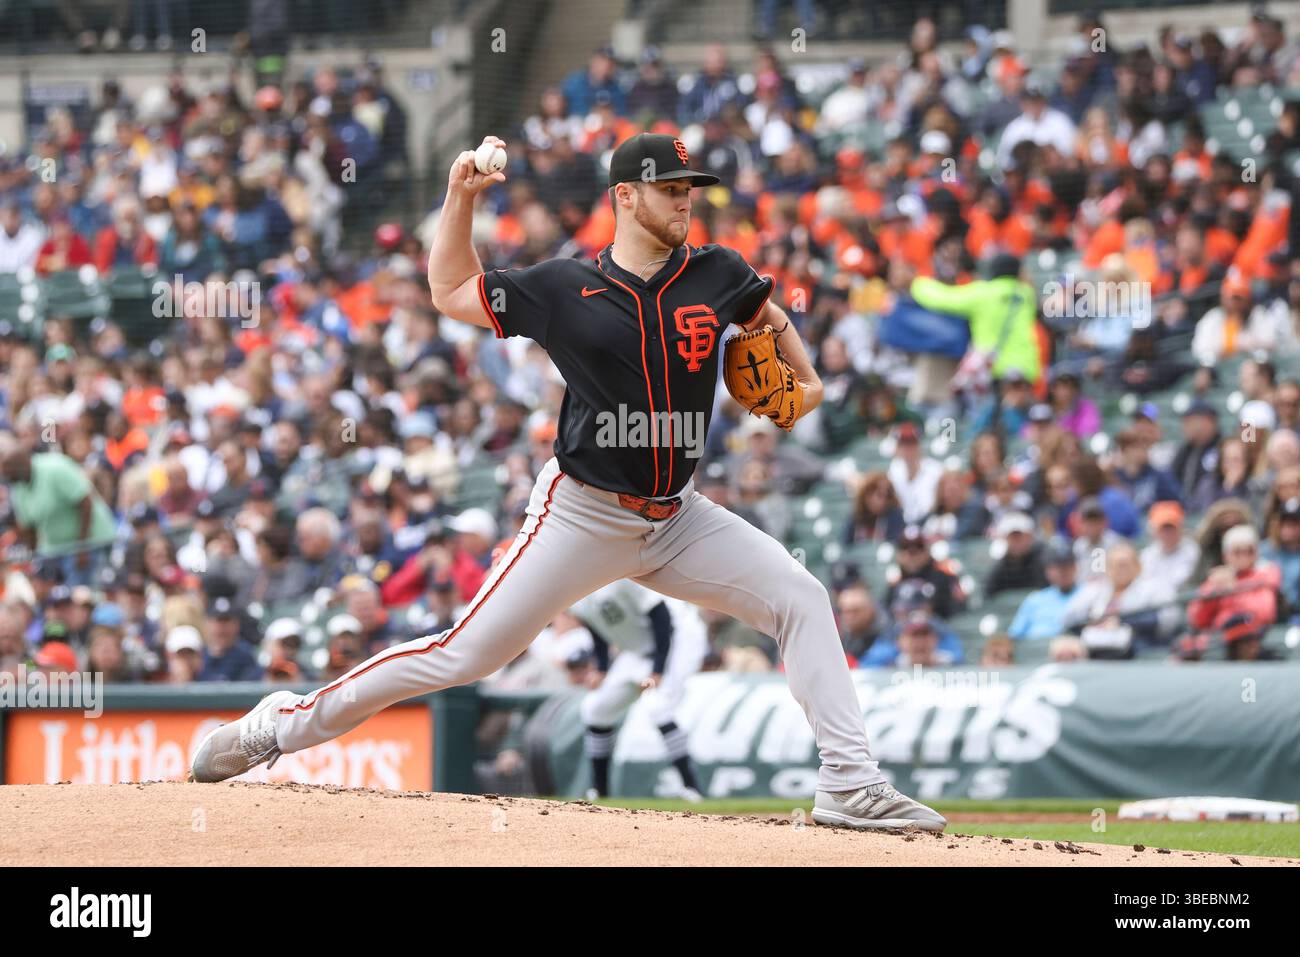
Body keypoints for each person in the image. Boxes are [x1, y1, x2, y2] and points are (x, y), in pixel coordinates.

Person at [190, 133, 945, 831]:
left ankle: (849, 781)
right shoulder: (562, 285)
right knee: (463, 653)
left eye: (692, 187)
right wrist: (462, 196)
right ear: (625, 195)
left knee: (802, 598)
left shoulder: (718, 271)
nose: (687, 199)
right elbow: (451, 289)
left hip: (679, 517)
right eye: (671, 187)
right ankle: (280, 724)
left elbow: (767, 314)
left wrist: (805, 382)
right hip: (581, 513)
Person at [571, 581, 707, 802]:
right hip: (638, 648)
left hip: (678, 638)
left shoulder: (617, 576)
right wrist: (602, 667)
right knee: (595, 709)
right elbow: (598, 626)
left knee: (658, 706)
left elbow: (662, 617)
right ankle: (600, 792)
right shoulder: (574, 590)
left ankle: (692, 788)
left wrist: (658, 670)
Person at [2, 447, 118, 587]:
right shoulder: (18, 486)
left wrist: (82, 546)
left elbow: (85, 502)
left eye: (9, 473)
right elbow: (29, 527)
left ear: (21, 465)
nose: (7, 478)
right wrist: (33, 558)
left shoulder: (54, 468)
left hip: (90, 543)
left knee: (80, 593)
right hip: (55, 549)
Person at [1187, 524, 1283, 647]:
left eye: (1249, 551)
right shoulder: (1219, 577)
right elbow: (1197, 618)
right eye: (1237, 552)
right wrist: (1213, 589)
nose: (1244, 556)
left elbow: (1264, 613)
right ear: (1225, 555)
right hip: (1218, 639)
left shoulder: (1267, 573)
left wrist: (1234, 589)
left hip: (1252, 639)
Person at [1007, 539, 1079, 641]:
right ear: (1048, 570)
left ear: (1075, 567)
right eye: (1057, 567)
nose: (1063, 571)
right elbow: (1014, 635)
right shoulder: (1035, 599)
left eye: (1067, 566)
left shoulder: (1088, 594)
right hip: (1032, 653)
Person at [1139, 501, 1200, 593]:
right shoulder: (1146, 555)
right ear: (1154, 532)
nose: (1168, 534)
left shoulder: (1192, 550)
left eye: (1171, 528)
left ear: (1181, 528)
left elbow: (1181, 582)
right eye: (1163, 529)